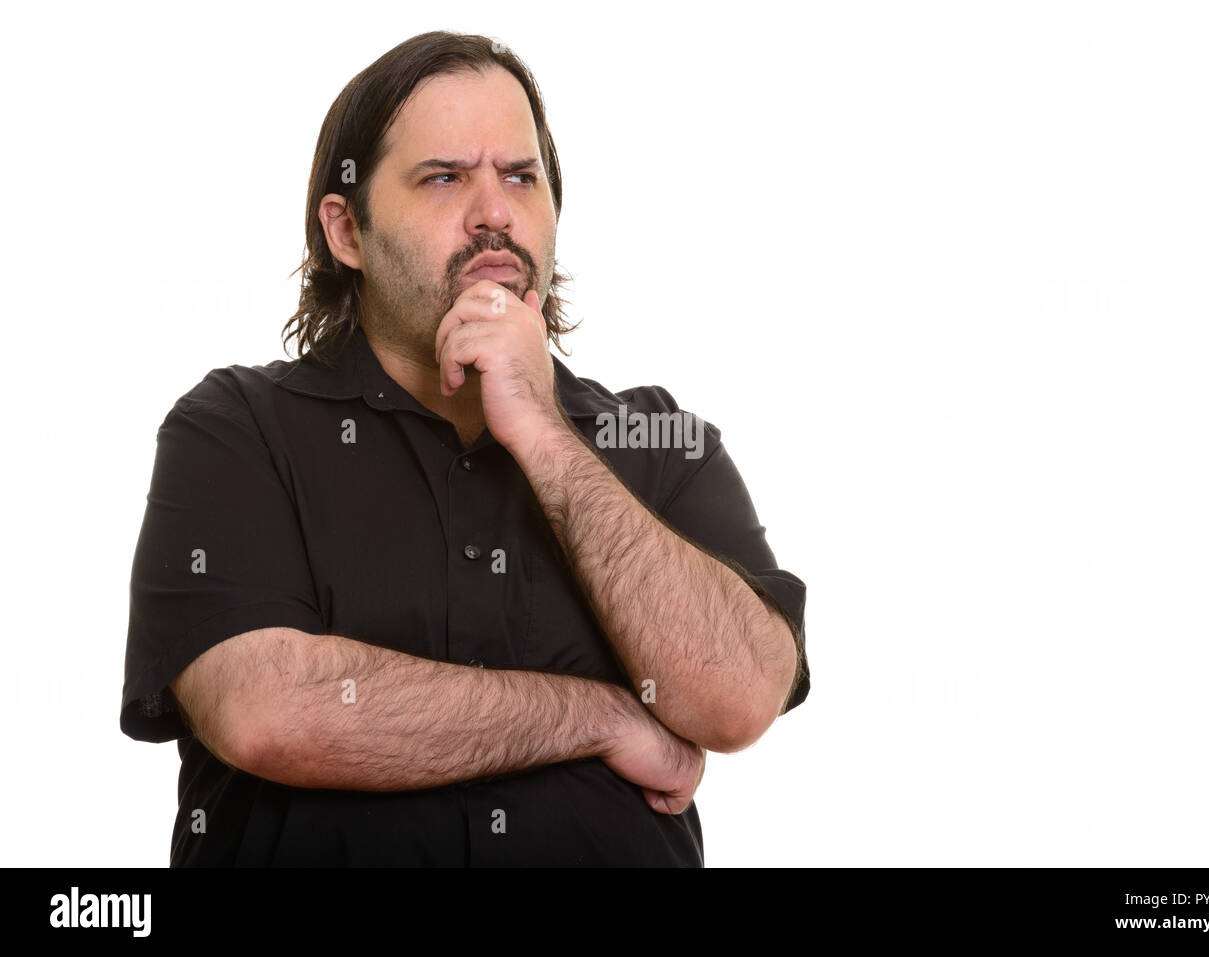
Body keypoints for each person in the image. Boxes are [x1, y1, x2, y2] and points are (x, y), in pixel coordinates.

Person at [120, 30, 810, 867]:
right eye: (444, 177)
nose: (494, 210)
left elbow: (739, 698)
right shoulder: (235, 427)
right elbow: (264, 708)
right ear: (346, 231)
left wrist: (545, 437)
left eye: (520, 176)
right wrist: (599, 718)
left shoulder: (660, 442)